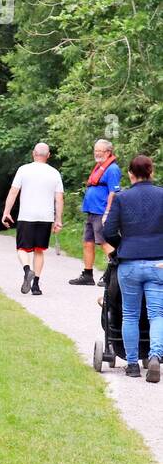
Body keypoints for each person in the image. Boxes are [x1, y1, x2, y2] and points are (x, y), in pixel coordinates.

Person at [102, 155, 163, 381]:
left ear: (130, 174)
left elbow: (108, 231)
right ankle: (155, 355)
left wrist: (123, 246)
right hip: (158, 263)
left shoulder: (121, 198)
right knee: (157, 314)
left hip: (129, 263)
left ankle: (132, 364)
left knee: (130, 314)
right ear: (152, 172)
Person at [1, 142, 64, 296]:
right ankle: (36, 285)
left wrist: (6, 212)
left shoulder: (23, 170)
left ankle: (27, 270)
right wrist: (58, 219)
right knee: (39, 251)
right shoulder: (54, 173)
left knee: (22, 248)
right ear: (48, 155)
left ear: (33, 154)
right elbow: (59, 198)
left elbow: (13, 192)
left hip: (26, 216)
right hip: (46, 217)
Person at [69, 138, 121, 286]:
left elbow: (114, 192)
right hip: (91, 212)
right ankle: (87, 274)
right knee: (88, 242)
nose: (97, 153)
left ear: (108, 152)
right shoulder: (99, 167)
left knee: (104, 242)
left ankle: (114, 275)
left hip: (101, 212)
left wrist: (107, 213)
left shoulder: (112, 169)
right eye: (95, 150)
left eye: (100, 151)